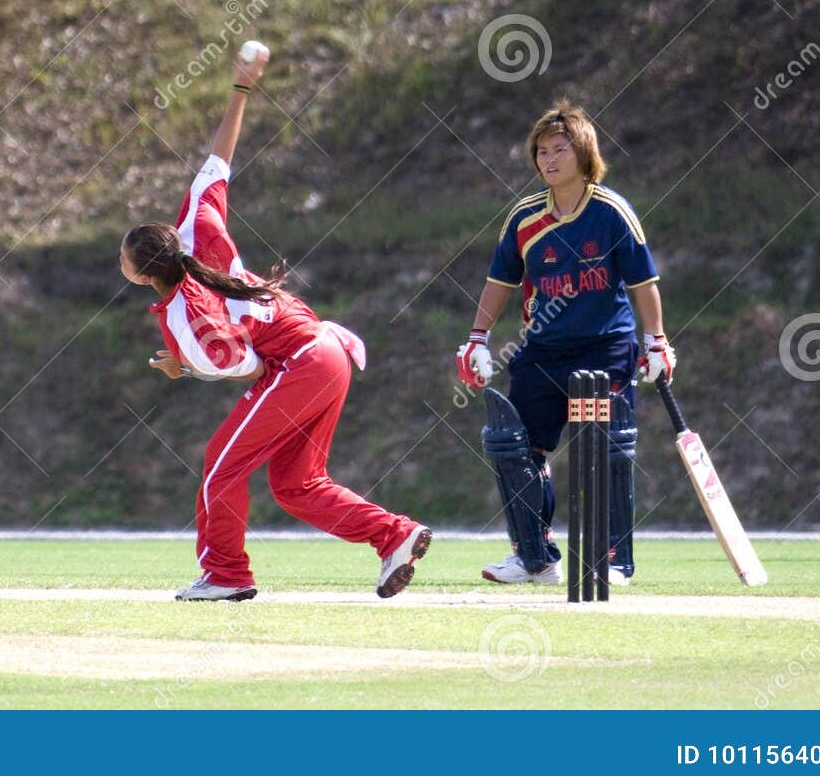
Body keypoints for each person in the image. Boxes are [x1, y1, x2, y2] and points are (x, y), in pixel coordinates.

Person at [121, 44, 431, 601]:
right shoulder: (195, 223)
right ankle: (394, 535)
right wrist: (242, 85)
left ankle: (226, 575)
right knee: (296, 484)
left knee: (221, 465)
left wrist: (187, 367)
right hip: (326, 348)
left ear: (143, 275)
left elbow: (246, 367)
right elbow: (220, 156)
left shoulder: (185, 315)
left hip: (301, 363)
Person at [455, 101, 672, 584]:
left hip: (605, 348)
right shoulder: (524, 217)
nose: (549, 159)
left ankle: (613, 559)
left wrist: (656, 340)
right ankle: (534, 557)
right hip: (542, 349)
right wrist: (477, 339)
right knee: (513, 446)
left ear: (584, 153)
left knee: (604, 448)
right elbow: (500, 282)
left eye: (560, 149)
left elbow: (644, 283)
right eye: (542, 151)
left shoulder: (611, 212)